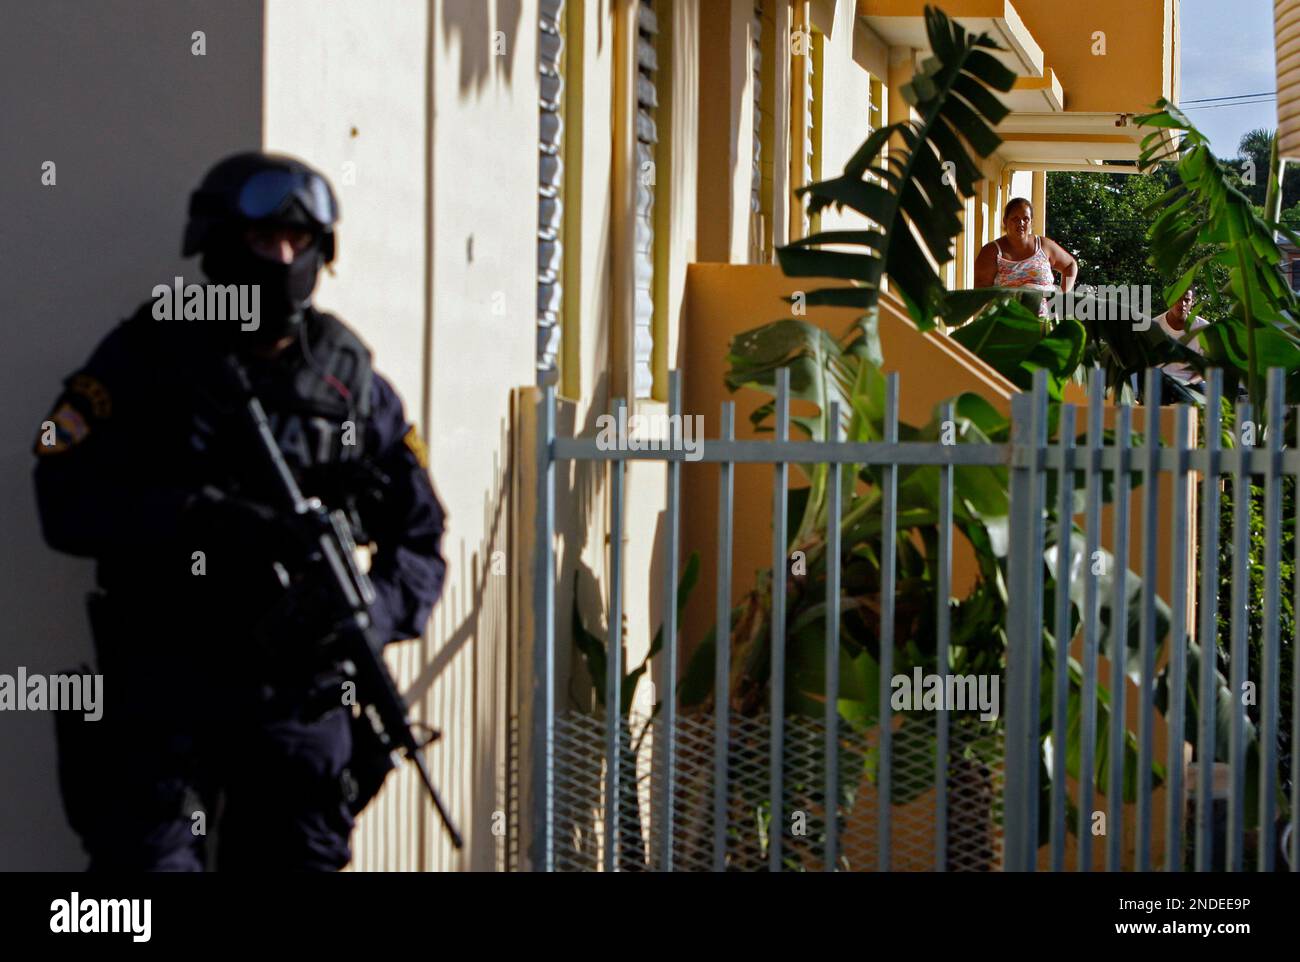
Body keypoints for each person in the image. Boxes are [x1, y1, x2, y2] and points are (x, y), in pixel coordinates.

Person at [31, 152, 448, 871]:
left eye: (300, 242)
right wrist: (198, 518)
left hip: (298, 703)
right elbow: (62, 495)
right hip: (164, 691)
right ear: (218, 242)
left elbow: (419, 540)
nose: (284, 258)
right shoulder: (148, 355)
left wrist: (365, 613)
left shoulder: (349, 382)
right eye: (264, 240)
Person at [974, 197, 1078, 317]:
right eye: (1015, 219)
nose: (1021, 223)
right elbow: (981, 294)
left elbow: (1070, 265)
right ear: (1005, 221)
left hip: (1046, 326)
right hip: (1010, 327)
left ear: (1031, 222)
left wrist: (1062, 295)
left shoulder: (1044, 246)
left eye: (1026, 219)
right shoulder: (992, 252)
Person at [1150, 285, 1208, 401]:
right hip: (1160, 382)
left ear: (1192, 302)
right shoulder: (1154, 326)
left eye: (1187, 300)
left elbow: (1206, 368)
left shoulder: (1204, 328)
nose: (1182, 304)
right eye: (1178, 299)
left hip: (1190, 383)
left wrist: (1187, 384)